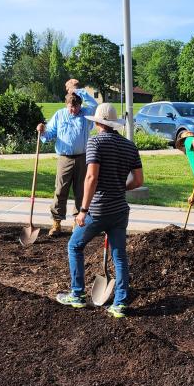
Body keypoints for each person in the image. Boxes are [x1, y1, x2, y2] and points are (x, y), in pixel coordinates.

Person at [55, 103, 143, 319]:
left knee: (75, 245)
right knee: (120, 257)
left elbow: (91, 177)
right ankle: (120, 304)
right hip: (120, 210)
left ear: (97, 122)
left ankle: (77, 295)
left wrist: (83, 210)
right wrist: (121, 187)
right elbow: (139, 180)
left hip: (98, 209)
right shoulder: (129, 146)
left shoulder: (95, 142)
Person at [36, 79, 98, 236]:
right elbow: (49, 134)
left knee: (81, 191)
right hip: (64, 158)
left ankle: (78, 222)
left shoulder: (86, 114)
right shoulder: (60, 115)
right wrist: (42, 130)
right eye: (71, 108)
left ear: (80, 105)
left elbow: (94, 105)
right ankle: (56, 223)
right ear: (66, 105)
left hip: (83, 157)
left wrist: (77, 90)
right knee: (60, 190)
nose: (73, 111)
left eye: (76, 107)